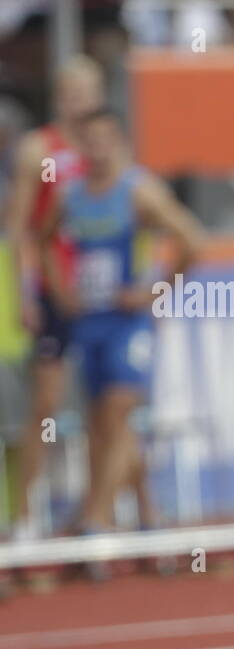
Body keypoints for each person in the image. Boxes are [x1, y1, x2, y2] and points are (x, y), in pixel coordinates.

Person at [38, 106, 202, 535]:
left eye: (105, 139)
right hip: (88, 321)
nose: (97, 149)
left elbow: (191, 239)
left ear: (119, 143)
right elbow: (42, 238)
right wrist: (60, 291)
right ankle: (148, 511)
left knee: (116, 411)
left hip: (127, 324)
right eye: (88, 140)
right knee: (101, 423)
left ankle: (95, 516)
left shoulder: (137, 191)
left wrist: (155, 292)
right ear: (80, 147)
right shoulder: (68, 195)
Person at [4, 55, 100, 539]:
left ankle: (100, 515)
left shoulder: (106, 152)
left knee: (113, 405)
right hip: (53, 294)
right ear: (62, 97)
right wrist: (25, 293)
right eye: (76, 93)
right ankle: (23, 519)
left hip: (100, 298)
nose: (84, 103)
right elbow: (19, 227)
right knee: (44, 408)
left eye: (92, 93)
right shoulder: (40, 150)